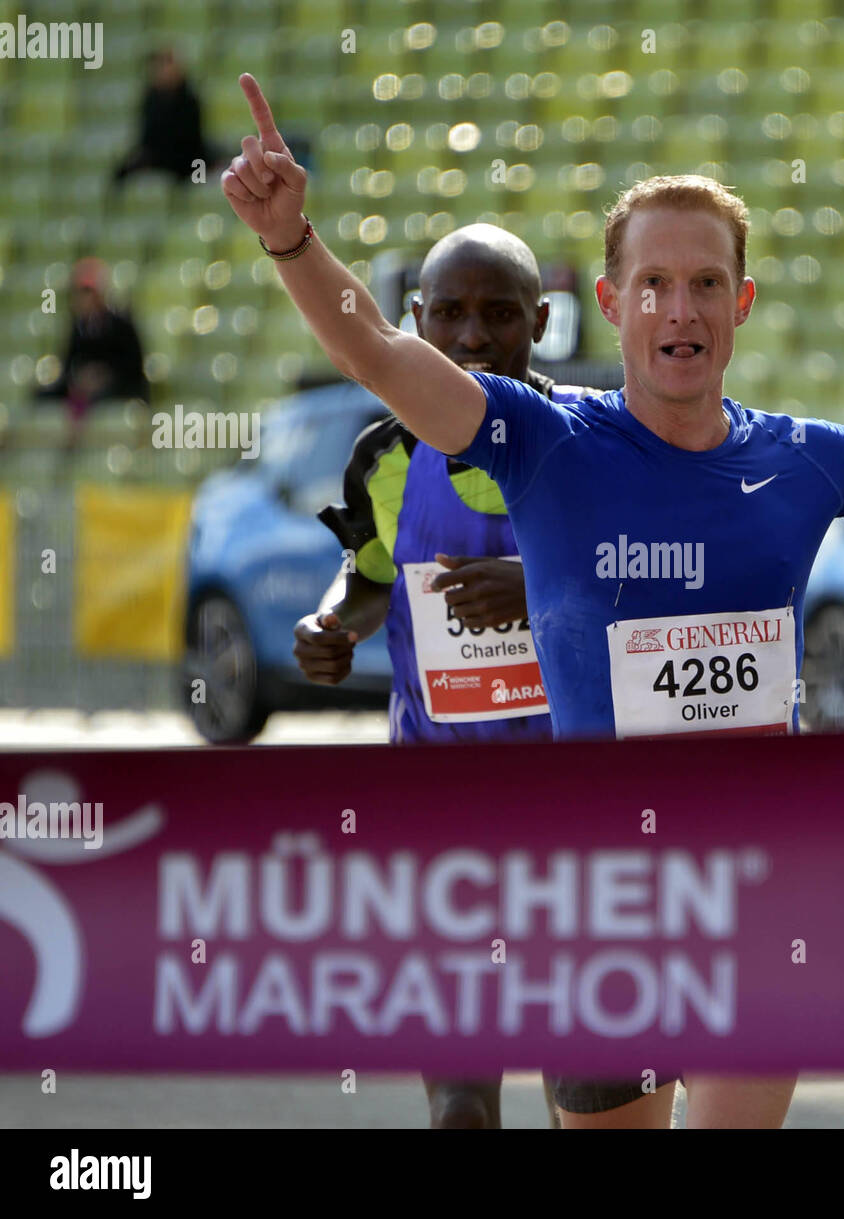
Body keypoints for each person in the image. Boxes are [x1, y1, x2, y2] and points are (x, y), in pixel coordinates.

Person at [222, 74, 844, 1129]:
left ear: (740, 303)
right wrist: (292, 242)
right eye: (653, 283)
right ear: (612, 305)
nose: (680, 308)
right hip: (605, 897)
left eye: (706, 283)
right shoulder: (543, 441)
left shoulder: (805, 458)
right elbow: (376, 354)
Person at [294, 225, 599, 1128]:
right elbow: (369, 572)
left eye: (499, 315)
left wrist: (538, 588)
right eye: (451, 315)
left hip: (577, 818)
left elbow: (646, 582)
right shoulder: (386, 456)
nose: (472, 337)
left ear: (541, 322)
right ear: (414, 321)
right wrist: (333, 622)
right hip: (439, 811)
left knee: (580, 1090)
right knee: (460, 1102)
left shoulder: (591, 446)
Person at [34, 258, 148, 427]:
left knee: (96, 402)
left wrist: (103, 377)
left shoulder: (121, 324)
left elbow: (133, 368)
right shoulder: (78, 327)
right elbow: (68, 364)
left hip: (118, 389)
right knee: (42, 396)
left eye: (87, 292)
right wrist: (79, 378)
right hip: (85, 390)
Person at [111, 46, 214, 191]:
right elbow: (146, 135)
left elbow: (192, 135)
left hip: (187, 154)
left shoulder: (190, 99)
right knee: (122, 171)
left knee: (200, 167)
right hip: (157, 154)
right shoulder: (150, 98)